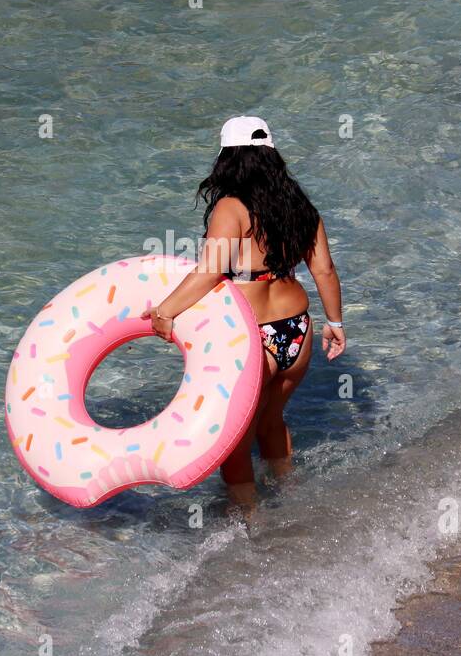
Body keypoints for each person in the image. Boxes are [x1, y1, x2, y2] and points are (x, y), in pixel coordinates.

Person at [141, 116, 345, 509]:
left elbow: (211, 270)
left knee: (233, 440)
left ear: (228, 159)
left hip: (251, 334)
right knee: (271, 423)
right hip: (296, 329)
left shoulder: (231, 207)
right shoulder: (301, 207)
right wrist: (335, 323)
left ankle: (252, 525)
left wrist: (165, 311)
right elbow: (324, 270)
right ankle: (292, 503)